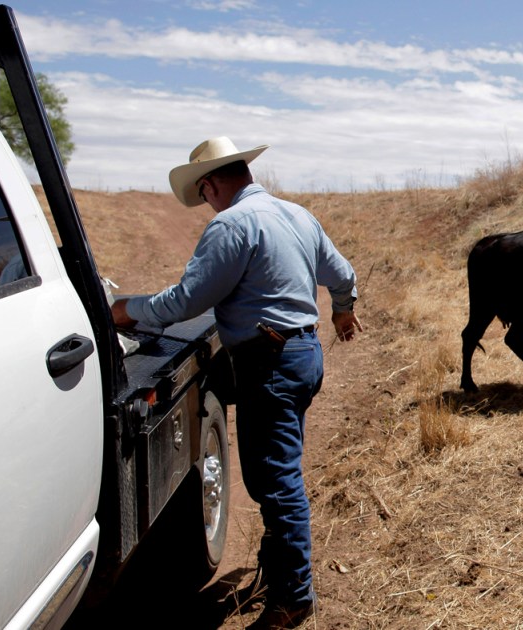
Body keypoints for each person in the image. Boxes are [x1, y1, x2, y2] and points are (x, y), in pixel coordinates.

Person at [112, 136, 361, 630]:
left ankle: (293, 597)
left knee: (275, 480)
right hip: (303, 355)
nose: (206, 203)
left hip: (269, 362)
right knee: (278, 471)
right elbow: (342, 273)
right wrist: (342, 309)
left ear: (209, 185)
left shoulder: (232, 224)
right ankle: (281, 569)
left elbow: (186, 301)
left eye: (203, 194)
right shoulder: (297, 216)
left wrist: (127, 309)